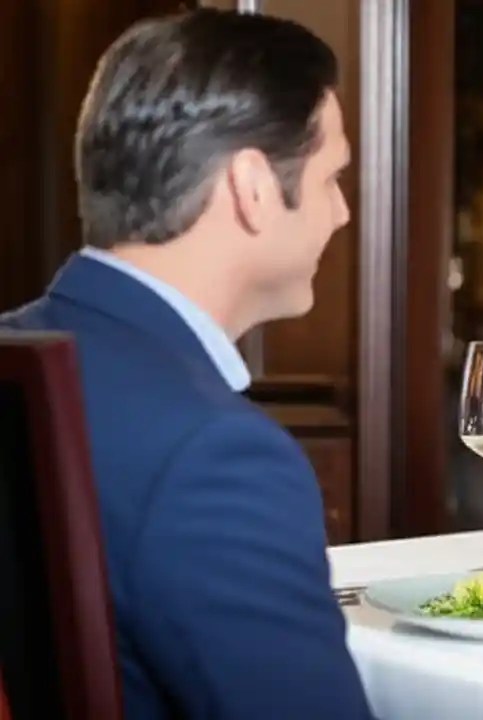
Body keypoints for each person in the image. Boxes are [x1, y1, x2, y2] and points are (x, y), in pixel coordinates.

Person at [1, 10, 374, 718]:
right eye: (332, 178)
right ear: (253, 187)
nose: (342, 213)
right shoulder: (217, 457)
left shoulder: (15, 357)